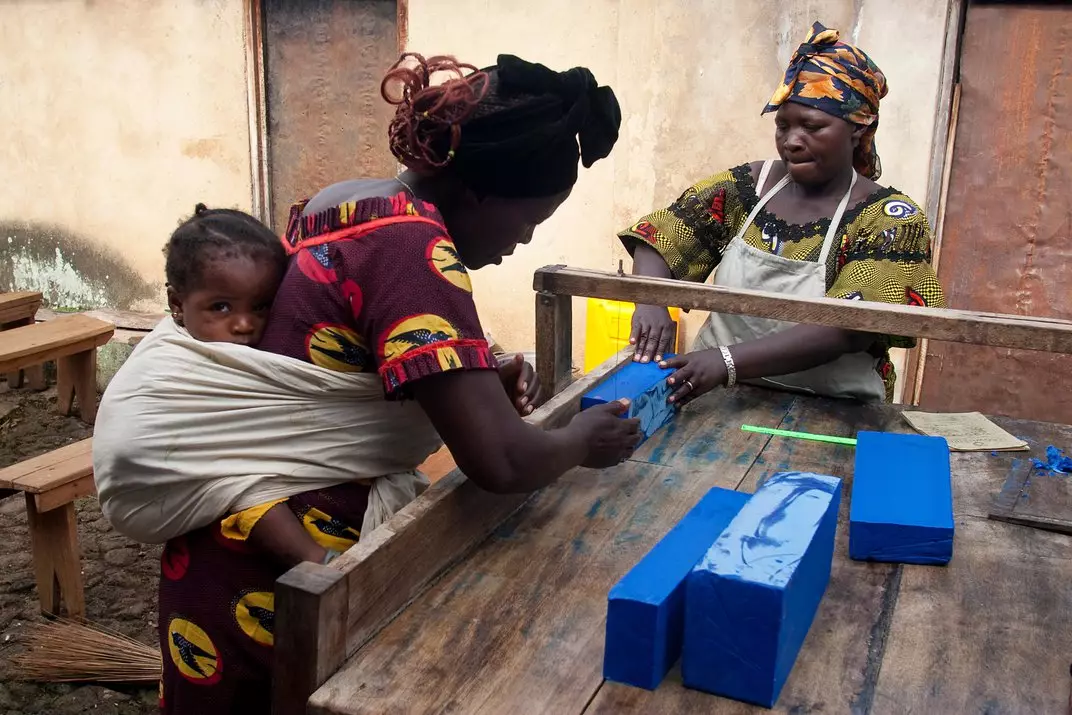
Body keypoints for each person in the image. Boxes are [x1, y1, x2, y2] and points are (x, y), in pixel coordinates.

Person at [143, 53, 637, 713]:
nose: (523, 240)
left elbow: (345, 351)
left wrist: (479, 376)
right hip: (271, 574)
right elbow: (502, 459)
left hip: (223, 548)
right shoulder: (414, 249)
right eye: (528, 221)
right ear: (477, 190)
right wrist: (582, 439)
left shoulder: (351, 200)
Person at [621, 22, 945, 406]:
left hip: (835, 410)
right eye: (783, 125)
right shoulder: (747, 188)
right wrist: (652, 300)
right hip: (719, 396)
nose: (792, 140)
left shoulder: (889, 220)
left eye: (812, 126)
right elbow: (661, 236)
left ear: (859, 128)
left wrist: (725, 361)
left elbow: (849, 329)